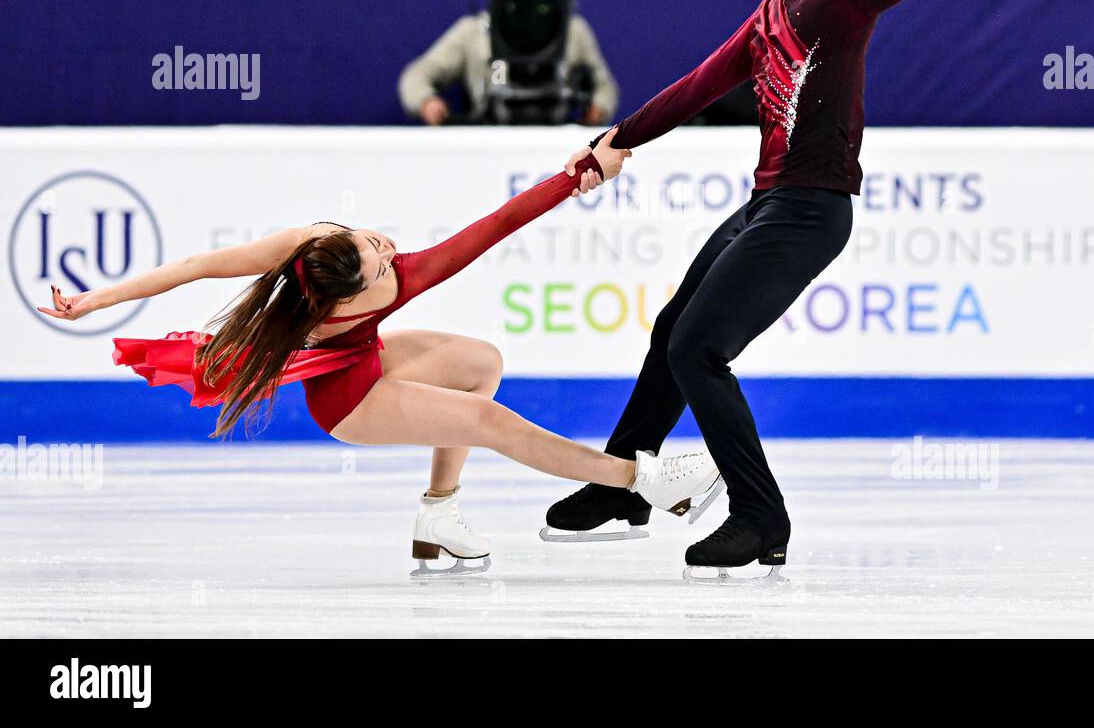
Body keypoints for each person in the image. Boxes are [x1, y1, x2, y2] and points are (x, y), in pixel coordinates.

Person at [545, 0, 976, 581]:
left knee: (697, 351)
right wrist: (616, 142)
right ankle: (624, 488)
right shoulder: (777, 5)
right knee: (677, 327)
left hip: (811, 210)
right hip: (768, 201)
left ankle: (759, 515)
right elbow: (702, 81)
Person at [36, 148, 722, 576]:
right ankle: (642, 481)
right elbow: (197, 273)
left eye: (372, 241)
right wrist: (102, 305)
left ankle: (438, 515)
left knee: (480, 362)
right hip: (347, 401)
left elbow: (494, 226)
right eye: (377, 260)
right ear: (351, 290)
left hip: (368, 360)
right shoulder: (336, 298)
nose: (387, 248)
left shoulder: (314, 244)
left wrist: (576, 175)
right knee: (486, 419)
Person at [398, 10, 619, 126]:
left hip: (558, 147)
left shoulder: (573, 31)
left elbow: (605, 87)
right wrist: (426, 101)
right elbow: (416, 76)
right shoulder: (473, 32)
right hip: (487, 147)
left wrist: (597, 108)